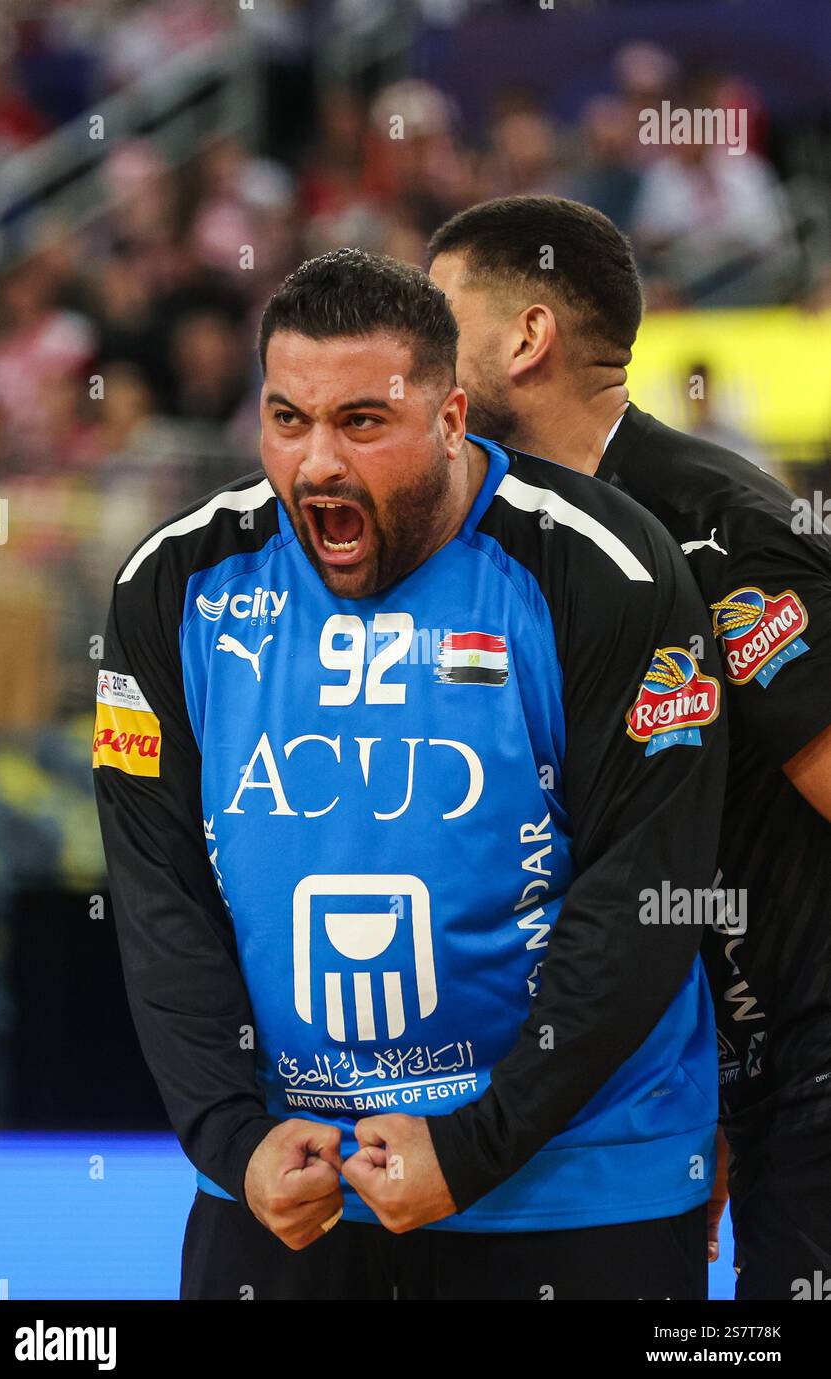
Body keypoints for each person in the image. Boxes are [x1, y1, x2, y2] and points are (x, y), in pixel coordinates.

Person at [94, 248, 726, 1301]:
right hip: (292, 1184)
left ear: (449, 419)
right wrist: (230, 1138)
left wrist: (476, 1143)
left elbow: (641, 898)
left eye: (359, 421)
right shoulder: (174, 584)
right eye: (287, 419)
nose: (315, 465)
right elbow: (163, 900)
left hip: (578, 1183)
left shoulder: (603, 567)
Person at [429, 196, 831, 1300]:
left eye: (438, 315)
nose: (416, 352)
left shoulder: (714, 522)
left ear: (526, 337)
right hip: (723, 1071)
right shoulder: (505, 537)